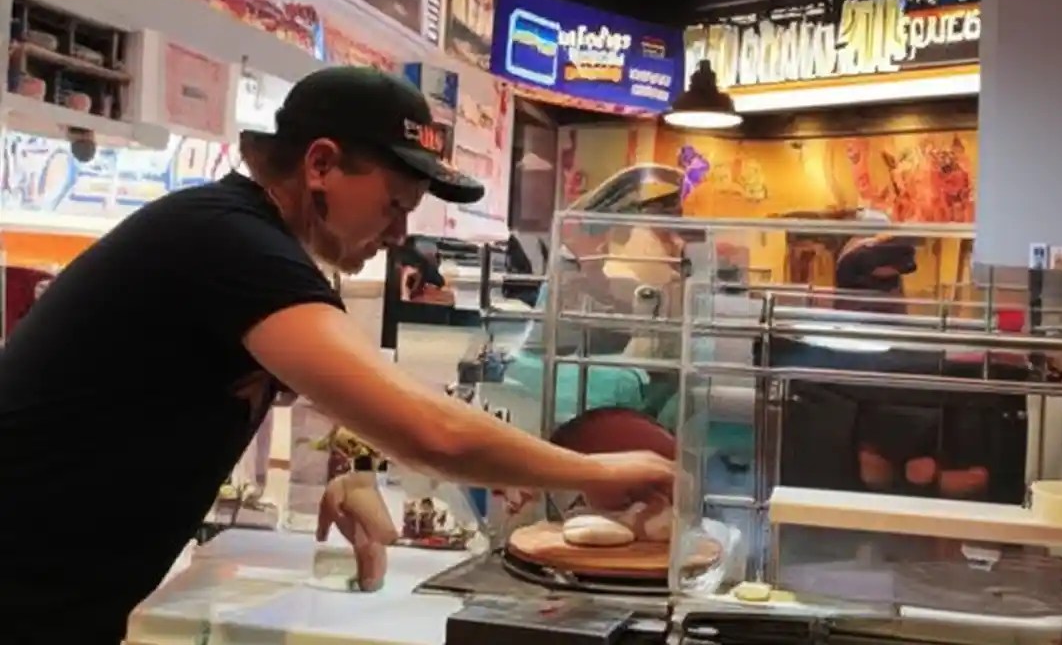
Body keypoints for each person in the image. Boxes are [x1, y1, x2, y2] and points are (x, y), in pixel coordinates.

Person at [0, 67, 672, 644]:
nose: (400, 233)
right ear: (320, 164)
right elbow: (431, 432)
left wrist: (356, 472)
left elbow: (344, 393)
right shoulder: (230, 243)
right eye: (393, 205)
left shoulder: (255, 249)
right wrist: (594, 470)